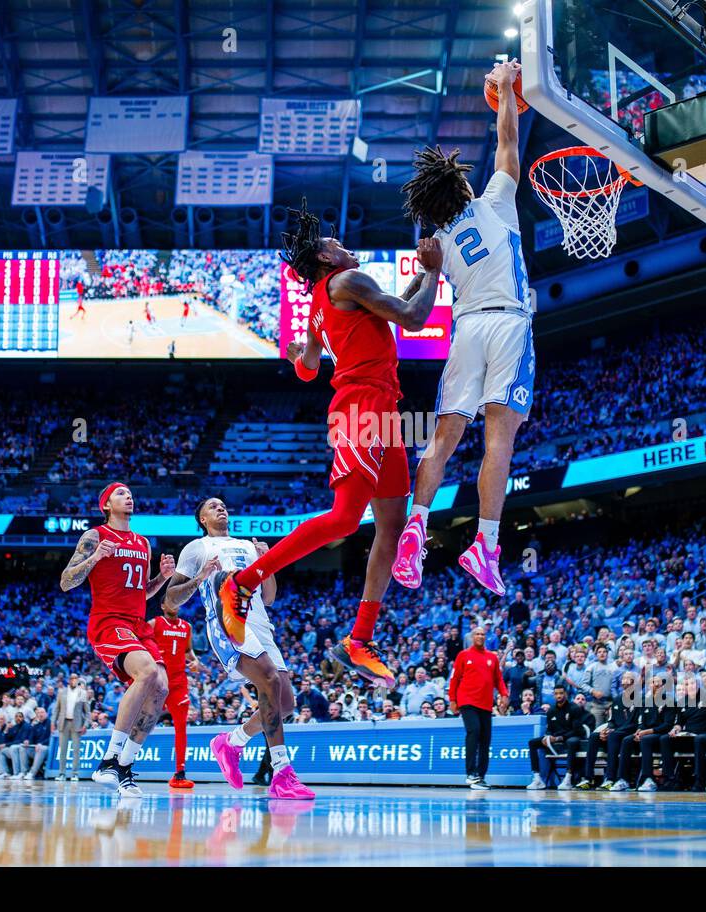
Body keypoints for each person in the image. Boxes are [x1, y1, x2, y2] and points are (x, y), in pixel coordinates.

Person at [211, 208, 442, 691]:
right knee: (343, 519)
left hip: (383, 409)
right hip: (361, 408)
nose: (346, 245)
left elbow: (310, 368)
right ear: (324, 255)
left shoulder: (326, 298)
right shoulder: (348, 280)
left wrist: (421, 273)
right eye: (336, 242)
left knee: (393, 526)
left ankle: (359, 639)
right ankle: (243, 583)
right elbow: (414, 318)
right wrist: (436, 271)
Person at [392, 57, 533, 597]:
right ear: (460, 184)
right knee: (500, 437)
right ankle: (485, 544)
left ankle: (416, 527)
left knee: (444, 437)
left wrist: (425, 271)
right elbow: (507, 142)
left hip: (466, 330)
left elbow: (411, 301)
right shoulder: (495, 201)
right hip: (509, 326)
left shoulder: (439, 246)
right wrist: (503, 89)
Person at [168, 497, 314, 800]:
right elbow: (169, 600)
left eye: (223, 504)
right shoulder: (197, 548)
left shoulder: (248, 546)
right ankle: (282, 774)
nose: (221, 507)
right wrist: (200, 578)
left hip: (261, 623)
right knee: (269, 680)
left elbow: (270, 597)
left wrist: (268, 563)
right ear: (203, 520)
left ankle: (231, 742)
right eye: (212, 506)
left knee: (285, 703)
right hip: (226, 621)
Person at [60, 481, 176, 797]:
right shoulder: (95, 536)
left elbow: (143, 592)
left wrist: (162, 580)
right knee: (148, 672)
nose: (129, 496)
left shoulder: (142, 542)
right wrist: (95, 556)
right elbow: (66, 582)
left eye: (130, 493)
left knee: (162, 688)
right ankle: (109, 760)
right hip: (109, 622)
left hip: (138, 624)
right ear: (107, 505)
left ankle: (124, 767)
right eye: (121, 493)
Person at [448, 625, 508, 789]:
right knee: (473, 731)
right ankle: (470, 773)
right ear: (472, 637)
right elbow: (454, 679)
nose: (480, 636)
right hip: (467, 701)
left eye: (483, 634)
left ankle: (480, 776)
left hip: (486, 704)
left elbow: (499, 679)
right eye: (477, 634)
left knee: (485, 739)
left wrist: (504, 694)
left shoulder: (492, 658)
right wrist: (453, 700)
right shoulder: (463, 655)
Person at [151, 612, 200, 789]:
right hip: (157, 680)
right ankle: (122, 764)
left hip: (178, 683)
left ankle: (180, 773)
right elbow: (141, 646)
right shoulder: (155, 623)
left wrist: (194, 661)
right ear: (163, 605)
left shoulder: (187, 626)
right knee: (141, 724)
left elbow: (188, 651)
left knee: (181, 727)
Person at [526, 686, 589, 790]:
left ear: (566, 694)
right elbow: (550, 729)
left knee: (571, 742)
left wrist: (560, 738)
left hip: (574, 736)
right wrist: (547, 737)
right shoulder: (551, 710)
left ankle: (568, 778)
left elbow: (578, 730)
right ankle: (537, 779)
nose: (559, 696)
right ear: (553, 695)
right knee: (532, 742)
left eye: (561, 693)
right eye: (556, 694)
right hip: (556, 739)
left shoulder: (574, 708)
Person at [51, 677, 91, 781]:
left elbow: (87, 711)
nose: (74, 681)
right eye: (72, 679)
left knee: (76, 750)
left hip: (76, 724)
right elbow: (56, 709)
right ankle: (61, 773)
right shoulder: (61, 692)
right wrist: (52, 722)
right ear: (69, 681)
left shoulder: (82, 693)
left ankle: (75, 773)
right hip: (63, 723)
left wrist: (86, 725)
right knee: (62, 750)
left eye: (75, 679)